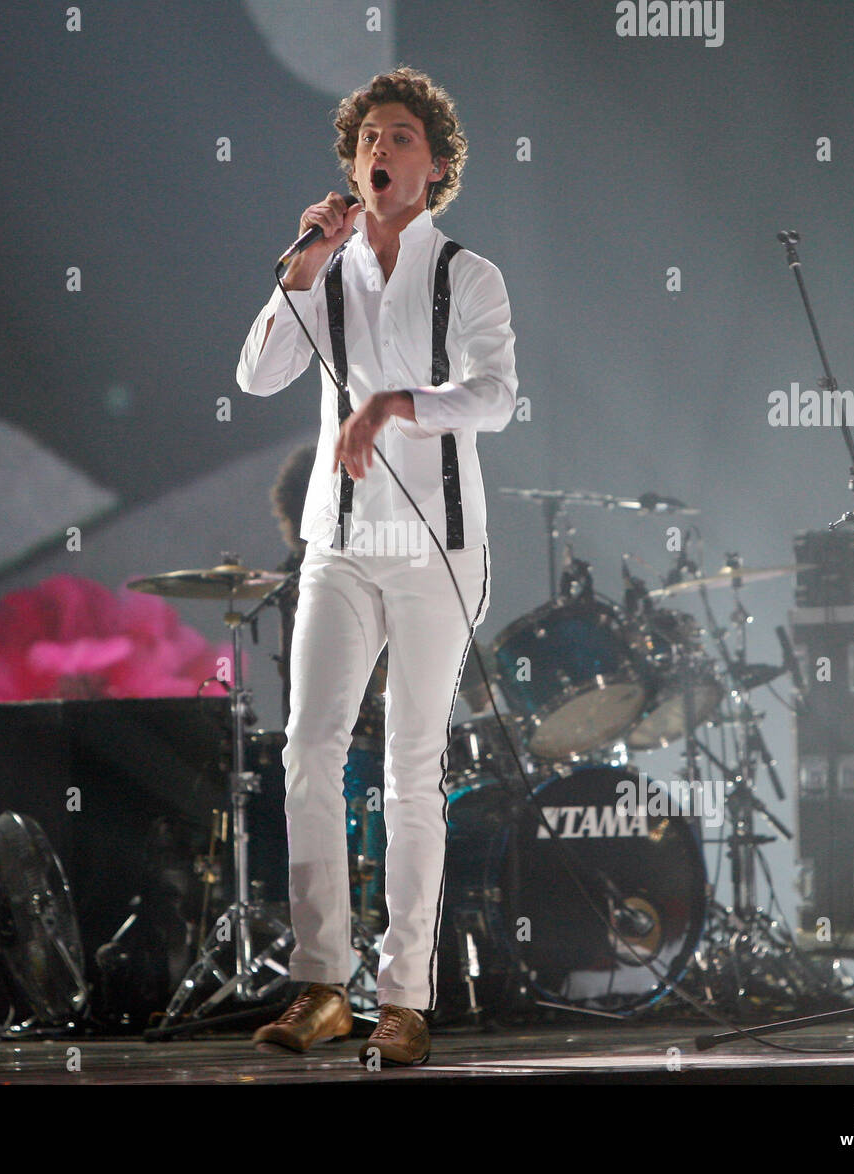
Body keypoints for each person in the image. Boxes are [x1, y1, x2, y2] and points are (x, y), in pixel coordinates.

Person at [237, 68, 517, 1065]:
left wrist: (397, 401)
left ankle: (402, 997)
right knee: (307, 749)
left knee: (409, 769)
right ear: (352, 166)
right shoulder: (330, 270)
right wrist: (301, 268)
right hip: (340, 544)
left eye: (399, 137)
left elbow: (493, 397)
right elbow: (256, 373)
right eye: (366, 139)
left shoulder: (465, 276)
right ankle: (321, 983)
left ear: (432, 166)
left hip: (438, 547)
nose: (379, 150)